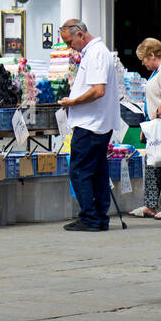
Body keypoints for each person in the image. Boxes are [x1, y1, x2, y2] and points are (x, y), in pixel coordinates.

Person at [58, 19, 124, 232]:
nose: (70, 47)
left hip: (91, 124)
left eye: (69, 42)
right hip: (96, 123)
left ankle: (89, 217)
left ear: (80, 34)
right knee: (96, 170)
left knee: (81, 170)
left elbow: (98, 90)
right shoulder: (94, 53)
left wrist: (73, 101)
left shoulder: (96, 53)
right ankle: (98, 216)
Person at [131, 38, 161, 220]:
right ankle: (150, 204)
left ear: (152, 55)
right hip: (156, 124)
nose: (142, 63)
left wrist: (157, 118)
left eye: (143, 59)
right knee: (153, 163)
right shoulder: (158, 71)